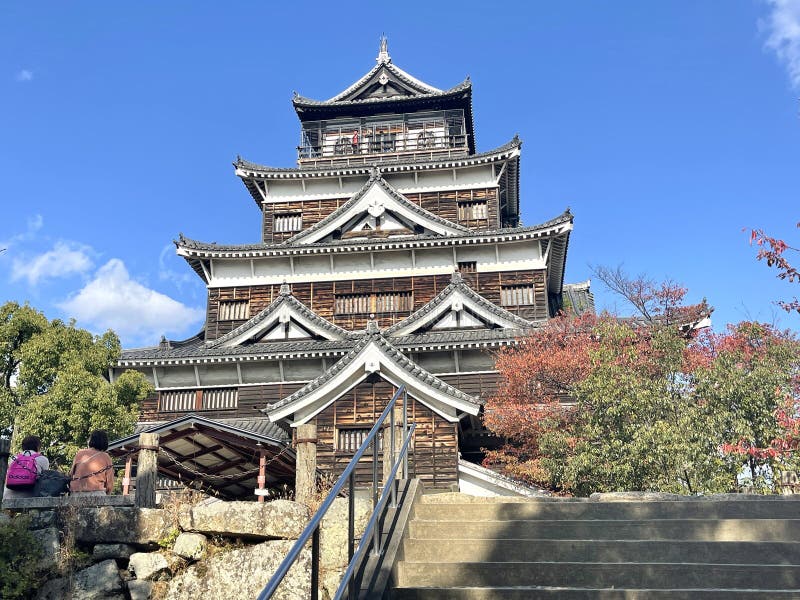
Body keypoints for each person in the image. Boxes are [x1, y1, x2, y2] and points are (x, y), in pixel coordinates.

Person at [70, 430, 114, 496]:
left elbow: (71, 474)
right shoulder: (106, 457)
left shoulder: (80, 453)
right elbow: (109, 484)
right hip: (97, 493)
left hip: (76, 493)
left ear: (91, 440)